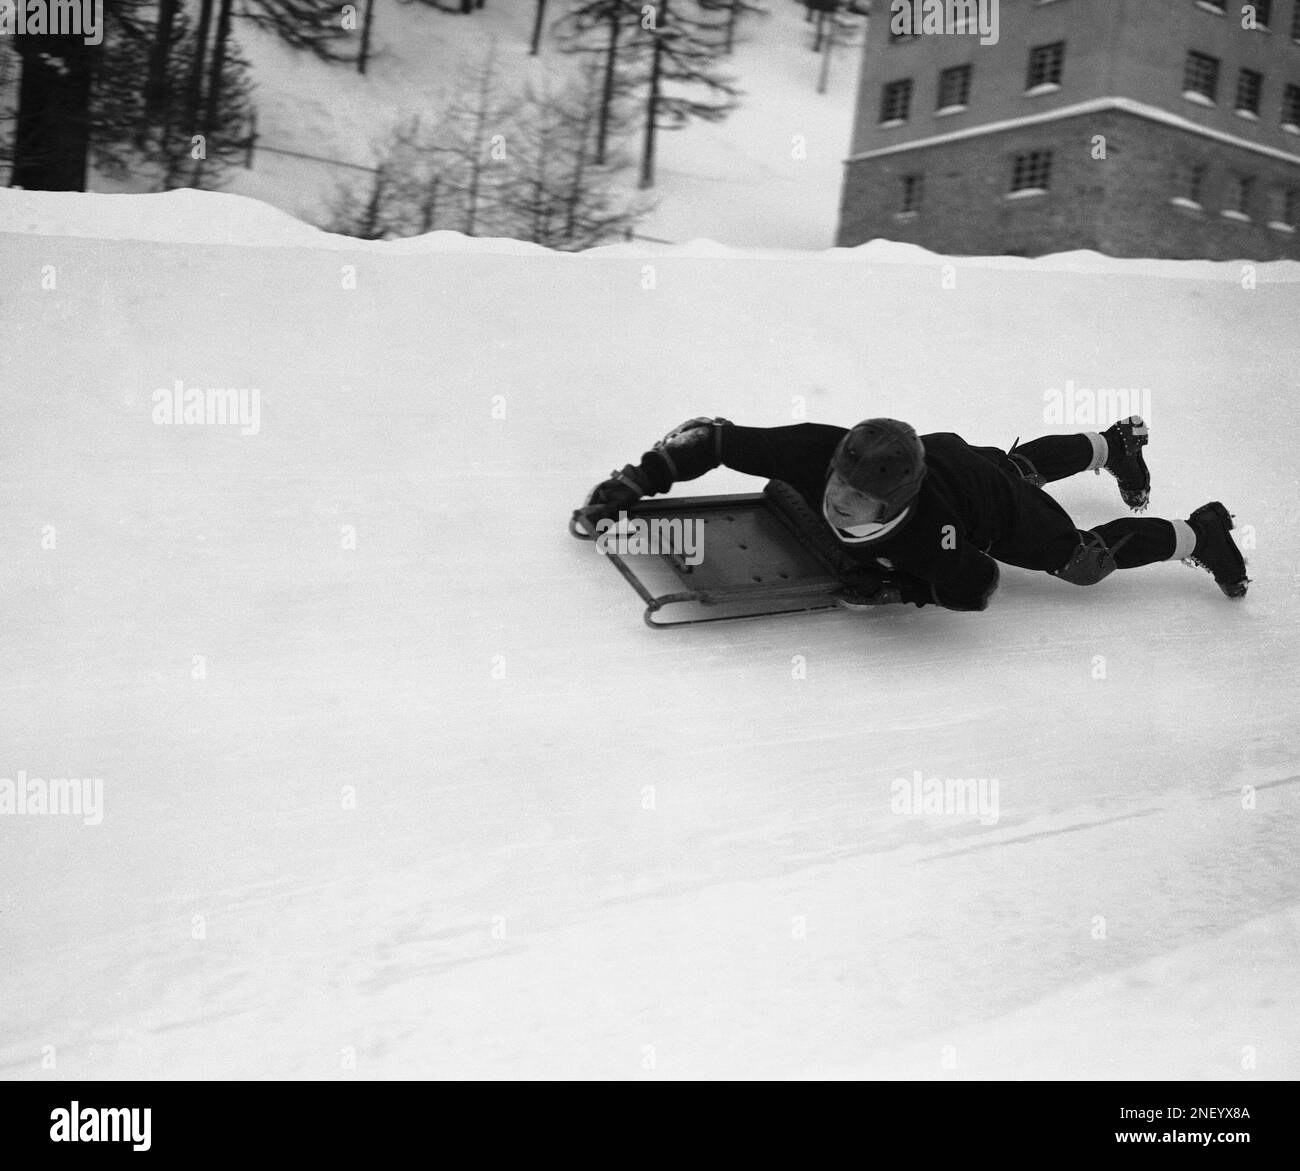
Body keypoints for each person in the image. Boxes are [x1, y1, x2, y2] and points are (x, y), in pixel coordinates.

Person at [577, 416, 1249, 612]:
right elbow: (712, 437)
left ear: (893, 503)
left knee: (1083, 562)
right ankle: (1115, 443)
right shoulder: (822, 455)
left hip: (993, 512)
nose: (835, 497)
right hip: (945, 456)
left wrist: (907, 585)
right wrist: (639, 478)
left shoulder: (934, 538)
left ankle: (1201, 531)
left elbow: (979, 583)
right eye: (837, 479)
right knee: (1013, 465)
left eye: (854, 497)